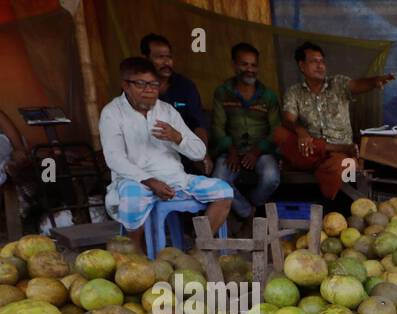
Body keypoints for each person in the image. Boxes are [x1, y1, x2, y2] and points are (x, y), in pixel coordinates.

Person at [99, 57, 233, 251]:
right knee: (131, 196)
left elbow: (199, 152)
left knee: (224, 191)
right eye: (141, 84)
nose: (150, 90)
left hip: (175, 179)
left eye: (154, 84)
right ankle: (136, 257)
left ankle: (198, 251)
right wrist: (150, 181)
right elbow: (114, 159)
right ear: (125, 85)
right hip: (134, 180)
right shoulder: (112, 113)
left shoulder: (167, 111)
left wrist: (177, 137)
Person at [275, 42, 395, 201]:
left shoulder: (338, 84)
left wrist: (374, 81)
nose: (320, 66)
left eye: (322, 62)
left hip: (339, 155)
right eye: (314, 61)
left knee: (346, 166)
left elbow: (357, 85)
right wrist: (300, 131)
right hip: (311, 150)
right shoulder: (294, 92)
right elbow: (288, 119)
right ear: (301, 66)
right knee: (279, 134)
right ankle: (319, 162)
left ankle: (325, 182)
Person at [211, 42, 282, 219]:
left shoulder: (268, 96)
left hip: (261, 152)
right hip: (230, 152)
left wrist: (257, 151)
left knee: (271, 178)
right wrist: (232, 151)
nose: (249, 69)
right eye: (244, 64)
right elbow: (217, 127)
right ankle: (248, 213)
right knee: (218, 181)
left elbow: (276, 130)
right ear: (234, 65)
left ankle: (251, 205)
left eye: (253, 65)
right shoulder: (222, 92)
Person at [141, 33, 211, 175]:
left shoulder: (185, 86)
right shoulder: (137, 89)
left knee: (215, 186)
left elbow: (199, 124)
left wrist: (202, 154)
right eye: (160, 57)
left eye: (169, 57)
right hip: (150, 156)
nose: (167, 62)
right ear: (146, 59)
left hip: (184, 153)